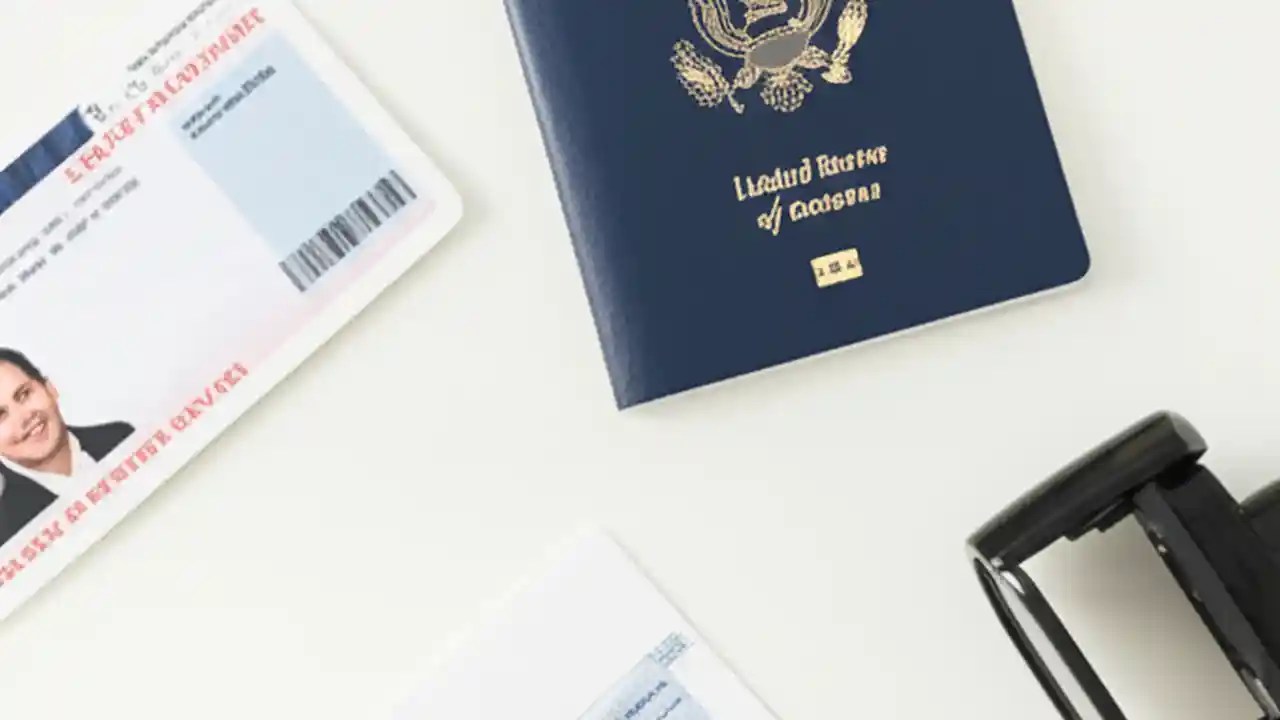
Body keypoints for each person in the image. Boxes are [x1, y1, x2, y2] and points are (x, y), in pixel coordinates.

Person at [0, 349, 133, 547]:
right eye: (1, 416)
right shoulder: (6, 535)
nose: (24, 417)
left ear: (50, 388)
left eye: (24, 395)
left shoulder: (122, 438)